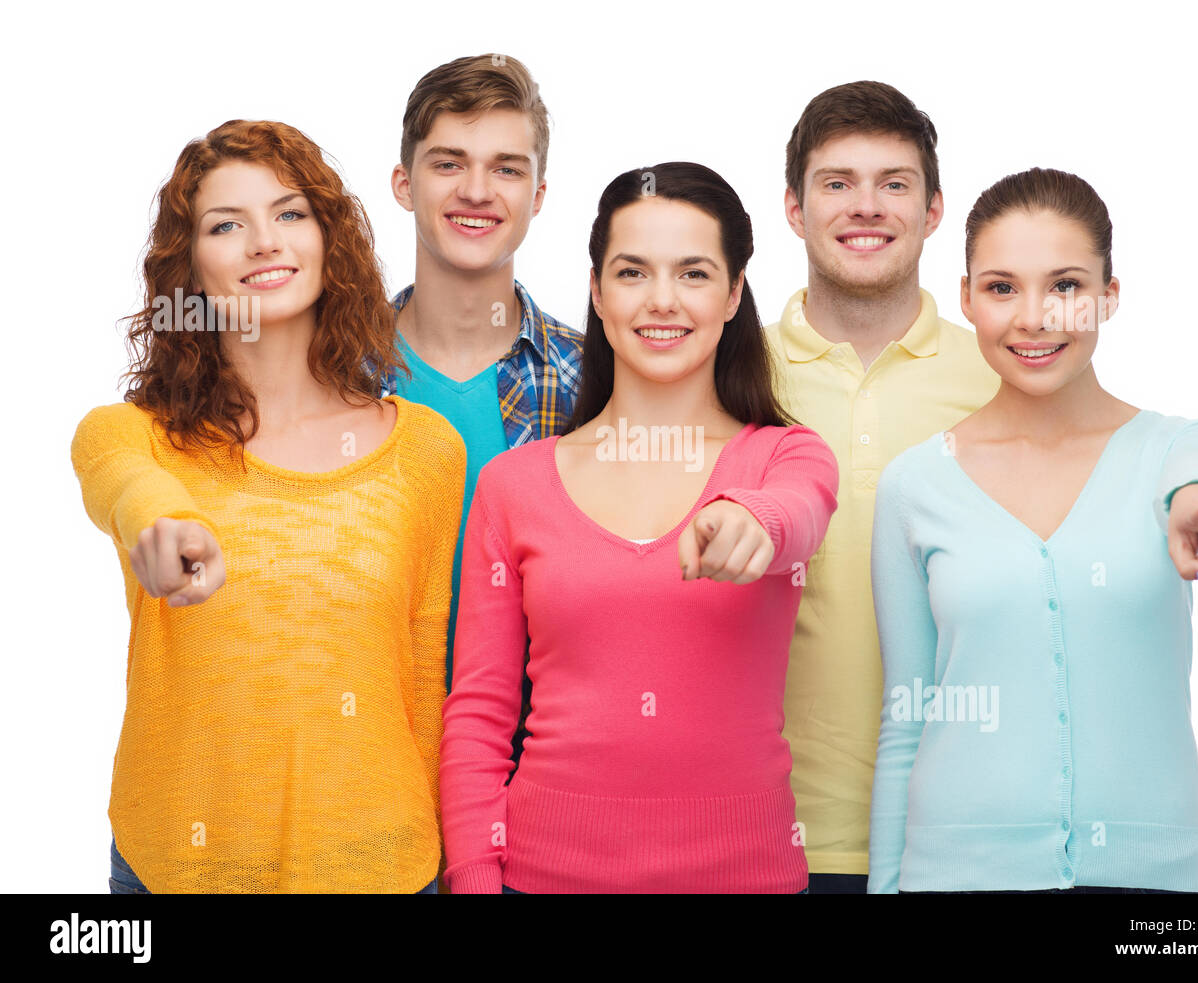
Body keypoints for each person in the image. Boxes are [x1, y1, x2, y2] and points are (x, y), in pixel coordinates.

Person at [70, 120, 466, 893]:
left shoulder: (427, 449)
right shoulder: (136, 438)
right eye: (226, 225)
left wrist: (444, 860)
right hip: (176, 867)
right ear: (190, 268)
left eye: (289, 214)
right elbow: (122, 484)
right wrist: (161, 523)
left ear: (328, 237)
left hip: (383, 867)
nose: (263, 242)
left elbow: (423, 681)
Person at [438, 162, 839, 893]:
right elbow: (479, 714)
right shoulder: (513, 483)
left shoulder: (783, 457)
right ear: (596, 290)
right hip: (542, 876)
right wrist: (472, 876)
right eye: (632, 272)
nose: (662, 301)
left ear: (734, 294)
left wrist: (751, 514)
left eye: (693, 274)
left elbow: (800, 510)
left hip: (746, 879)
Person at [868, 167, 1198, 894]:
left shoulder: (1173, 452)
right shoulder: (914, 486)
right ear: (967, 300)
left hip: (1155, 887)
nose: (1035, 317)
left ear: (1110, 296)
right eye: (1002, 286)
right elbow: (906, 719)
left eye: (1067, 287)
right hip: (953, 877)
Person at [765, 81, 1000, 892]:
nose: (866, 207)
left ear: (935, 209)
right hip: (763, 833)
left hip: (962, 838)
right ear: (794, 208)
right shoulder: (728, 378)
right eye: (837, 183)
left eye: (894, 184)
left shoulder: (1004, 375)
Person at [385, 54, 583, 716]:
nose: (476, 190)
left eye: (506, 168)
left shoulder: (594, 380)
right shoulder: (332, 374)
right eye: (448, 163)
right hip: (363, 760)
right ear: (404, 184)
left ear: (538, 195)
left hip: (535, 767)